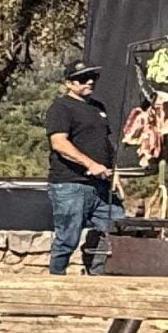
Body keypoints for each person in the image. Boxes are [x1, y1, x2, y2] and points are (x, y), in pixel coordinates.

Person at [44, 60, 120, 274]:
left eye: (93, 77)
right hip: (70, 185)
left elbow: (105, 143)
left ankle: (98, 275)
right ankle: (54, 283)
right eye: (82, 78)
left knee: (119, 227)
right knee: (67, 238)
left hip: (102, 185)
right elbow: (59, 143)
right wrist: (91, 164)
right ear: (68, 83)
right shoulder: (60, 108)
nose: (89, 82)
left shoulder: (98, 108)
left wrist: (115, 173)